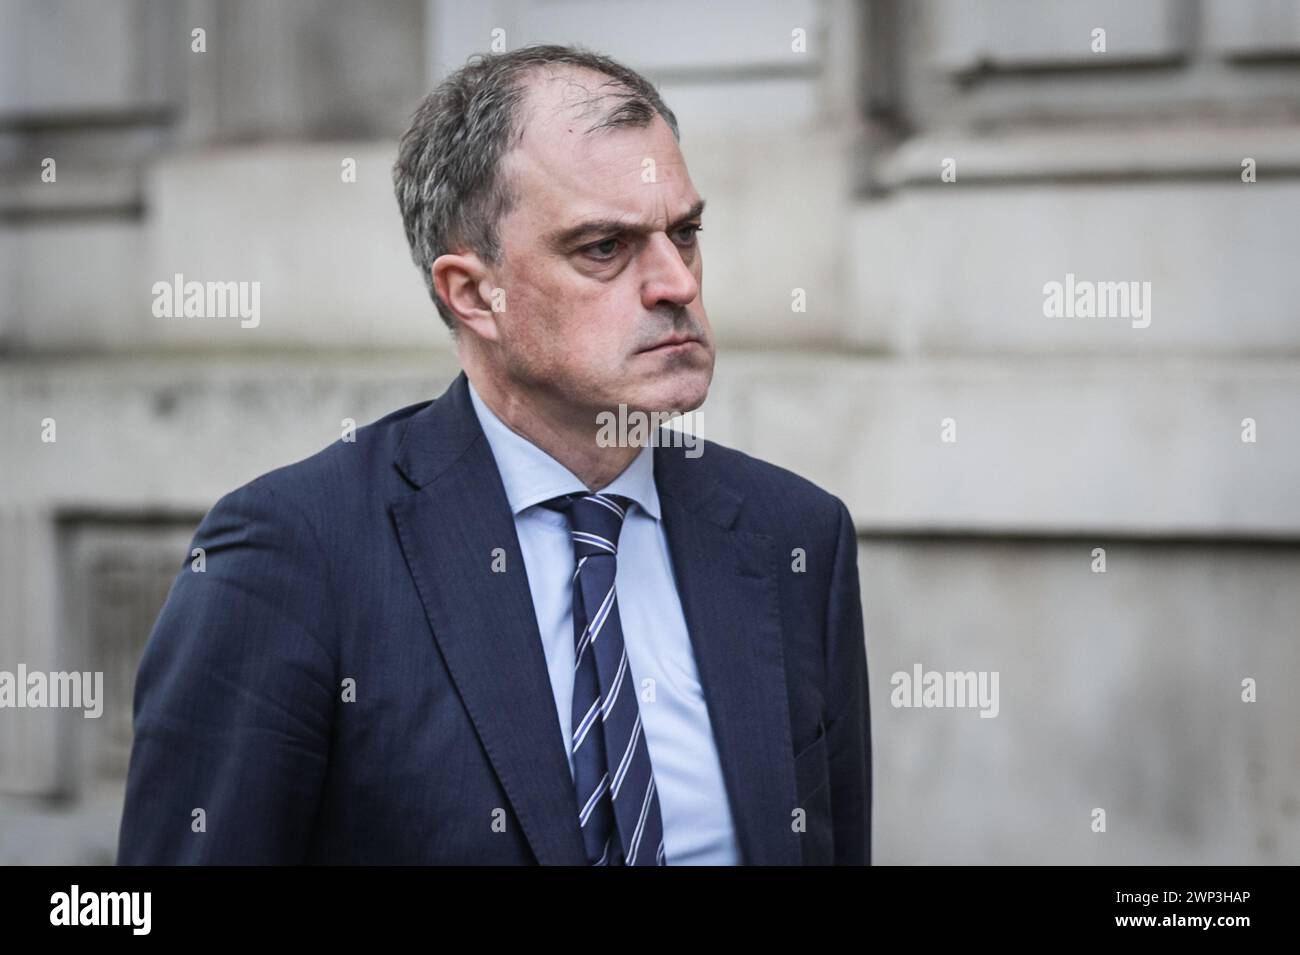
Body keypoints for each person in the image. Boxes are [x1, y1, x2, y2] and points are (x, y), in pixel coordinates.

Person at [117, 43, 870, 866]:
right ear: (474, 294)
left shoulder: (794, 534)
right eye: (604, 248)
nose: (676, 283)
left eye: (683, 233)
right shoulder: (295, 554)